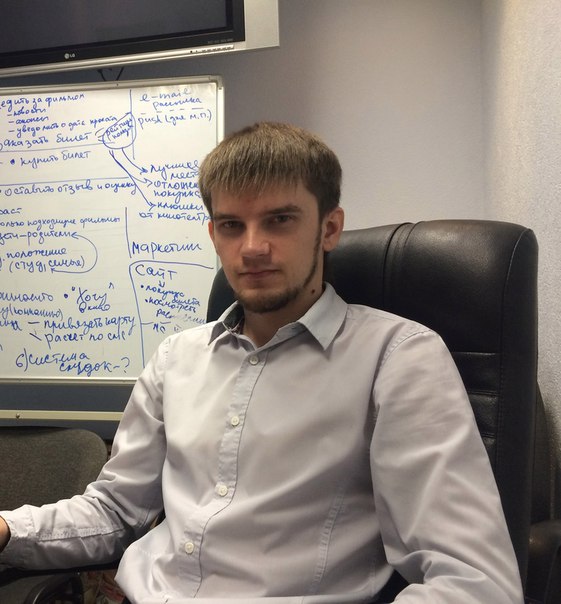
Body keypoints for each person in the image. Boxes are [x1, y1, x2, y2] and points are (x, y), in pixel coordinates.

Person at [0, 122, 524, 603]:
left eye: (279, 220)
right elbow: (116, 511)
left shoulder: (397, 358)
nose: (252, 247)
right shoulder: (176, 358)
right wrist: (6, 530)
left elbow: (472, 583)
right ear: (214, 236)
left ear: (329, 228)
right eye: (232, 225)